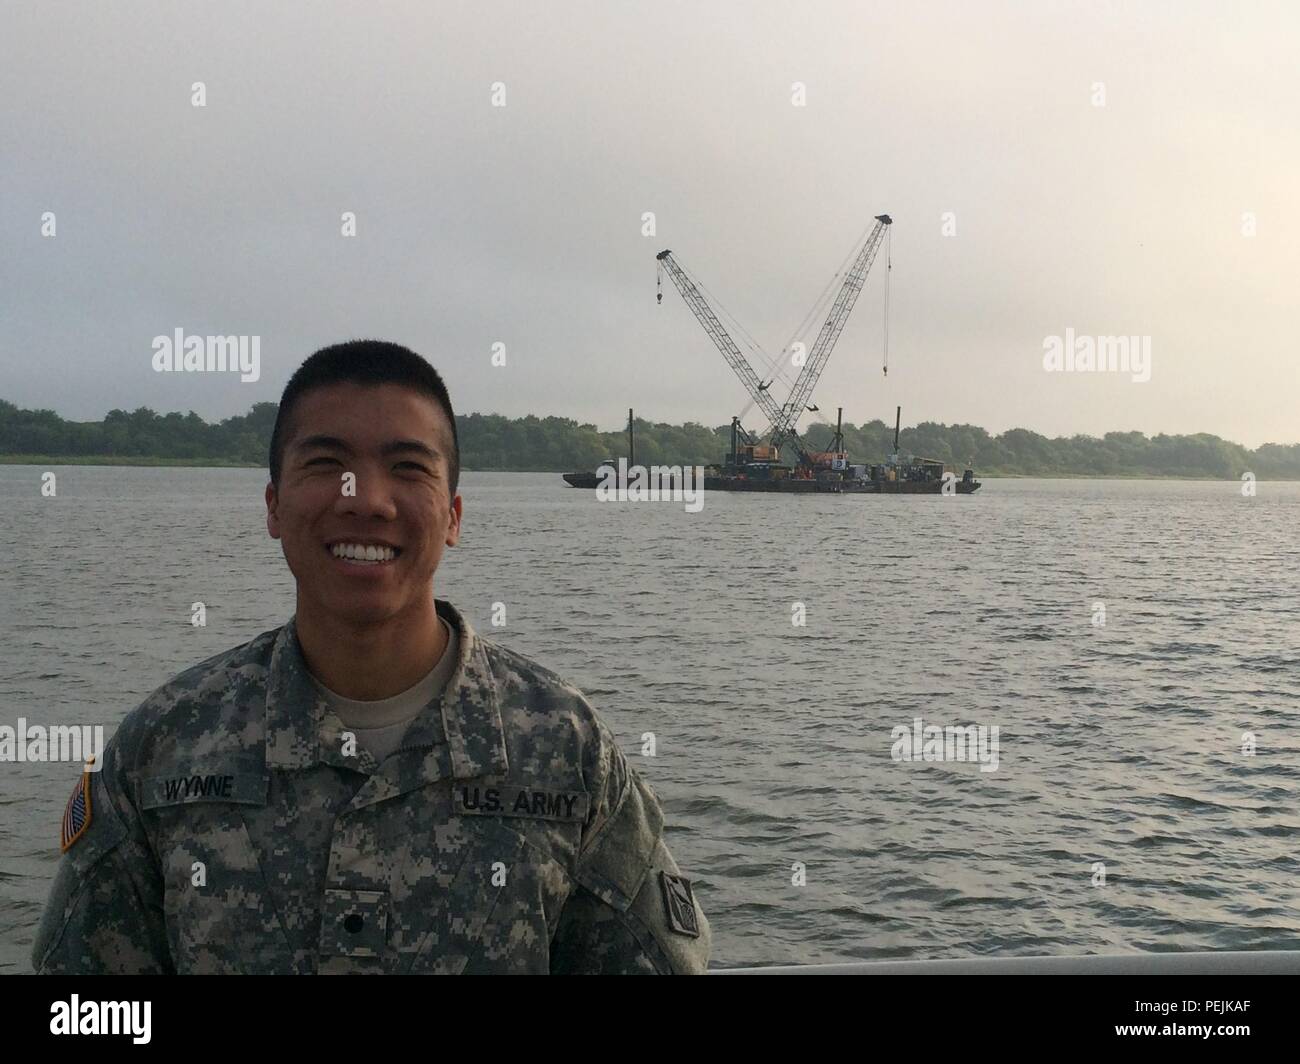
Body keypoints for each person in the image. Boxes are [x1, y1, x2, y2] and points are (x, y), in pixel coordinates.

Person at [31, 340, 710, 975]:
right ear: (273, 504)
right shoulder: (162, 750)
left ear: (453, 514)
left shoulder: (566, 752)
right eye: (326, 464)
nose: (366, 500)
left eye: (407, 468)